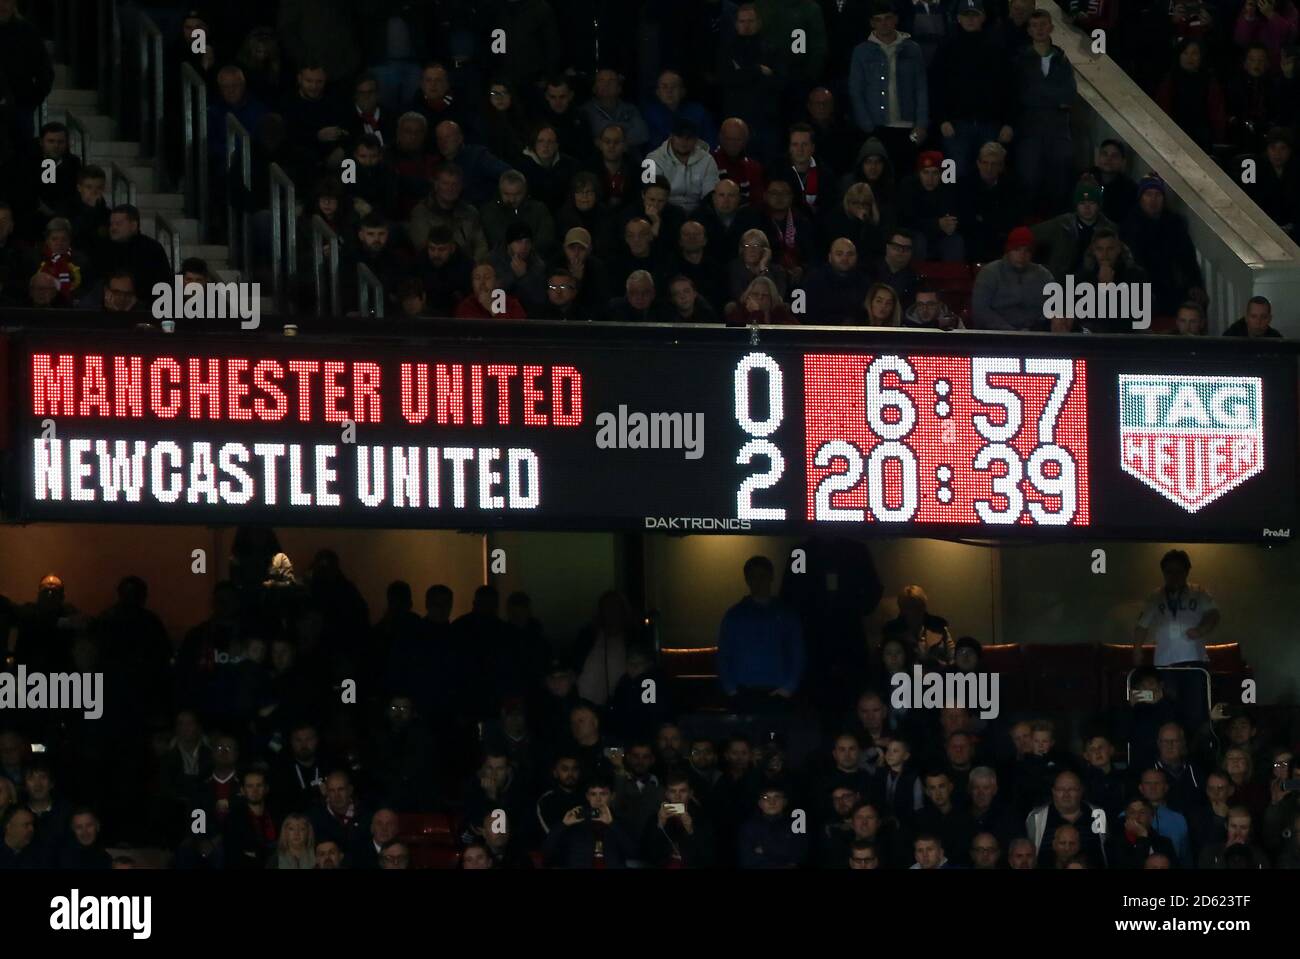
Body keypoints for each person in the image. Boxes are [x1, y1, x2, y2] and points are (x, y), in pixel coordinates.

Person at [932, 0, 1016, 179]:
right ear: (958, 18)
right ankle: (952, 207)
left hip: (990, 124)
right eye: (966, 15)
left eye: (975, 15)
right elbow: (937, 85)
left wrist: (1009, 122)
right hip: (956, 125)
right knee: (954, 175)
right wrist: (942, 119)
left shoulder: (997, 47)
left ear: (983, 17)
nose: (970, 20)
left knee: (991, 175)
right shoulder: (946, 47)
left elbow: (1009, 87)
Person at [717, 556, 806, 712]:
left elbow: (797, 651)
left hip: (779, 691)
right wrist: (730, 688)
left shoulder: (786, 614)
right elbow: (724, 653)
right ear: (747, 579)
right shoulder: (734, 615)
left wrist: (789, 687)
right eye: (753, 576)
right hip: (743, 691)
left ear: (771, 577)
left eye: (762, 575)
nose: (758, 581)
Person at [849, 3, 929, 173]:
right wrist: (868, 127)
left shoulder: (912, 49)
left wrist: (921, 124)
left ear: (895, 20)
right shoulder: (861, 52)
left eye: (887, 18)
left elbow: (921, 88)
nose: (883, 24)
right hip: (877, 127)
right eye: (878, 20)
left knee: (905, 172)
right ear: (872, 23)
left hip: (908, 126)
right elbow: (856, 91)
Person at [1013, 11, 1077, 214]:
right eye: (1034, 25)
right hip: (1029, 129)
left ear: (1051, 28)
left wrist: (1038, 95)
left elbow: (1069, 96)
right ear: (1029, 30)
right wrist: (1052, 98)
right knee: (1028, 180)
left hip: (1058, 130)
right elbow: (1020, 94)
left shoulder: (1062, 59)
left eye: (1043, 24)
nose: (1039, 29)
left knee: (1058, 181)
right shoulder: (1020, 59)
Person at [1120, 174, 1205, 319]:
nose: (1153, 200)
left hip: (1172, 287)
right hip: (1143, 287)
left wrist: (1195, 284)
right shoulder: (1130, 226)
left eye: (1157, 195)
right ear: (1140, 198)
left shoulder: (1174, 224)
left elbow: (1188, 258)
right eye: (1148, 194)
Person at [1031, 178, 1116, 284]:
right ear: (1076, 204)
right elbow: (1030, 235)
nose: (1087, 207)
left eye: (1091, 202)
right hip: (1060, 283)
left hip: (1094, 284)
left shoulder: (1110, 229)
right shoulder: (1062, 224)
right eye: (1082, 203)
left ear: (1099, 205)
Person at [542, 777, 638, 868]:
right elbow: (547, 854)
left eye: (603, 794)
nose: (598, 799)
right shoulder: (576, 823)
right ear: (587, 796)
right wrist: (563, 825)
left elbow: (634, 853)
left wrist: (612, 824)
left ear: (612, 796)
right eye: (593, 794)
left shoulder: (621, 823)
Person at [970, 226, 1053, 330]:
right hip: (997, 337)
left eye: (1027, 251)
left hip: (1034, 336)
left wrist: (1033, 330)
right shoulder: (990, 273)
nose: (1022, 255)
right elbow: (980, 310)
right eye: (1017, 249)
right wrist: (1010, 332)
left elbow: (1051, 310)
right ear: (1008, 250)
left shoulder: (1043, 276)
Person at [1155, 38, 1227, 152]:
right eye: (1185, 53)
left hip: (1203, 137)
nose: (1189, 58)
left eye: (1194, 53)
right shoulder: (1170, 79)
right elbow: (1163, 107)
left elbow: (1216, 110)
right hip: (1175, 136)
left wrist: (1218, 136)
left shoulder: (1209, 80)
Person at [802, 238, 871, 325]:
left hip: (856, 334)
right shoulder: (814, 280)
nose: (845, 258)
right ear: (830, 257)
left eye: (850, 254)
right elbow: (806, 314)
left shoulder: (864, 282)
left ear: (856, 257)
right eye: (839, 254)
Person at [739, 784, 810, 868]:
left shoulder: (797, 824)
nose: (772, 802)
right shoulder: (748, 826)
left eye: (777, 797)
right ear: (760, 803)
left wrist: (765, 849)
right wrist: (782, 853)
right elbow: (747, 860)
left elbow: (799, 856)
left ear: (784, 802)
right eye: (766, 798)